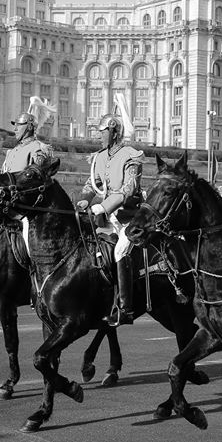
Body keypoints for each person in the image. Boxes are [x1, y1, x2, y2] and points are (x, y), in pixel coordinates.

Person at [77, 113, 144, 327]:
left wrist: (103, 206)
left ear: (114, 132)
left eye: (103, 132)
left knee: (119, 251)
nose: (99, 136)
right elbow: (91, 184)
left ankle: (125, 309)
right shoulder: (100, 157)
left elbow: (128, 189)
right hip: (104, 220)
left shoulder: (130, 156)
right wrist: (84, 201)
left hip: (127, 218)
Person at [2, 97, 55, 173]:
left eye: (19, 125)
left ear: (29, 127)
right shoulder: (12, 152)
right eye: (15, 126)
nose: (15, 129)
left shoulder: (38, 149)